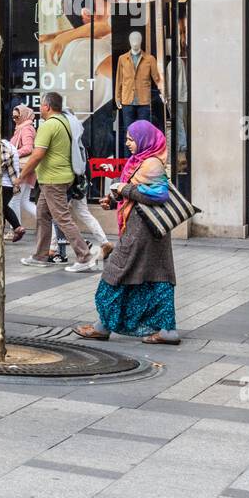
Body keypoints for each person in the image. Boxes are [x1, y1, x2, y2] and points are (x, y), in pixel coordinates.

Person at [75, 121, 179, 345]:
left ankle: (103, 326)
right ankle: (167, 330)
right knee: (156, 277)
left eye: (132, 139)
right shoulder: (139, 162)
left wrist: (125, 189)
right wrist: (114, 200)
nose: (127, 143)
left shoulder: (152, 163)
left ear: (144, 140)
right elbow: (134, 191)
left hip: (143, 232)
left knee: (115, 273)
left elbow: (159, 195)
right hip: (144, 231)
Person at [15, 91, 100, 273]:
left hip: (54, 180)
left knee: (62, 218)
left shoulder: (49, 126)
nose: (39, 108)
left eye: (41, 105)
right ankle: (40, 255)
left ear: (47, 106)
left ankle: (85, 256)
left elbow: (37, 154)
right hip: (56, 178)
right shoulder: (65, 122)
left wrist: (22, 175)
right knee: (42, 214)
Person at [8, 103, 37, 228]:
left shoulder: (26, 129)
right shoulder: (21, 128)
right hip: (24, 169)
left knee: (15, 200)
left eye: (17, 117)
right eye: (13, 117)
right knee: (24, 201)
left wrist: (13, 153)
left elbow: (28, 148)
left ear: (24, 116)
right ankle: (51, 223)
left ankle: (16, 229)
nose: (15, 119)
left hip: (23, 169)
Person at [0, 135, 25, 242]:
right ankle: (16, 228)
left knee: (1, 208)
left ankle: (17, 227)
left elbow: (4, 161)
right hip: (10, 184)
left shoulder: (1, 145)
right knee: (2, 208)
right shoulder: (10, 146)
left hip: (4, 183)